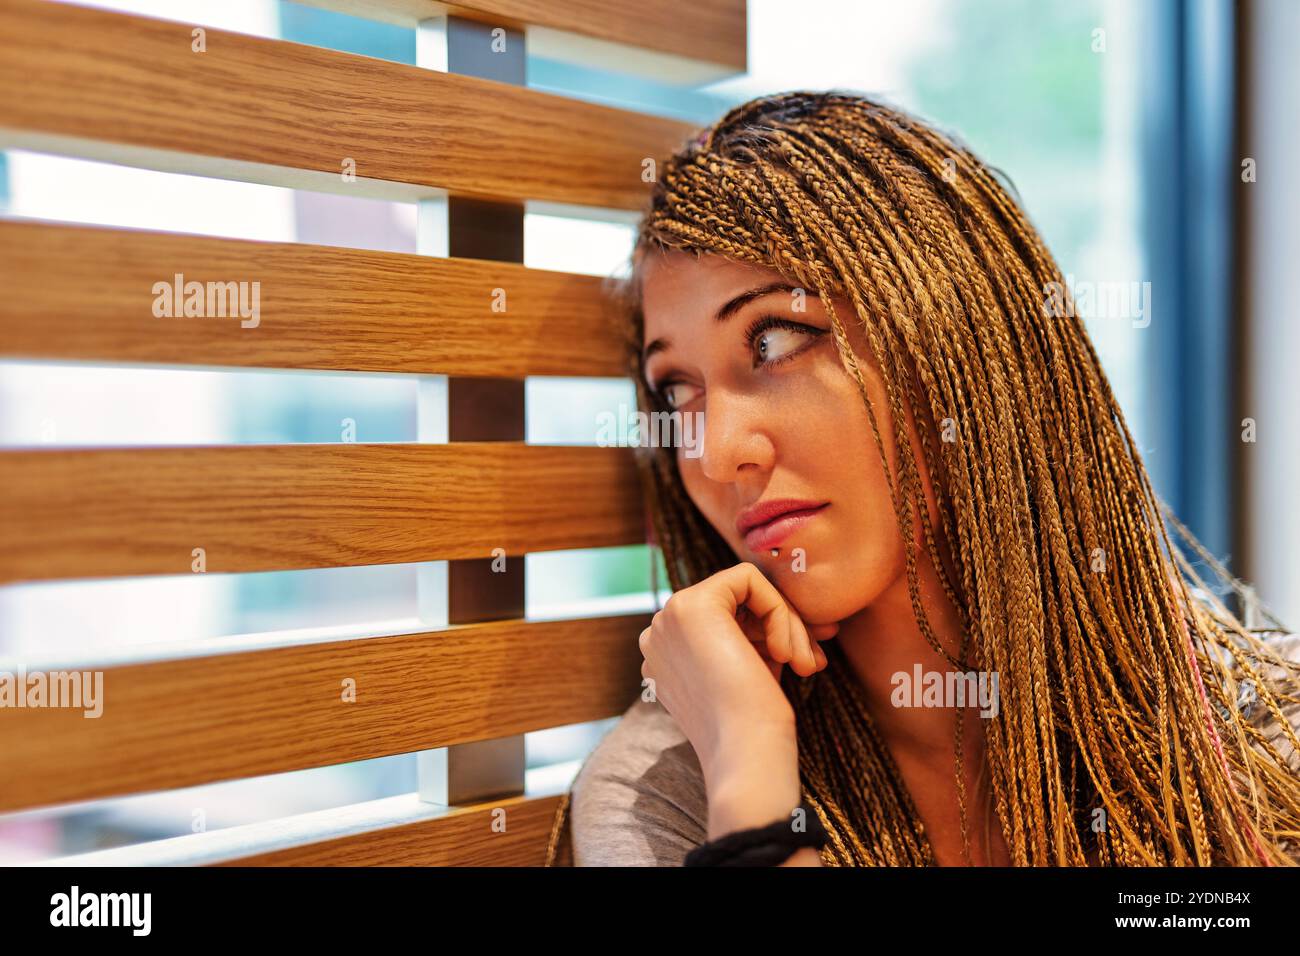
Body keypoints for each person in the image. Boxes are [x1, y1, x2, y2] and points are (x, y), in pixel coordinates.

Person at [543, 90, 1300, 867]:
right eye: (677, 390)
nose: (715, 450)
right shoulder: (666, 792)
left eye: (774, 340)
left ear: (955, 339)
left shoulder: (1263, 731)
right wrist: (748, 769)